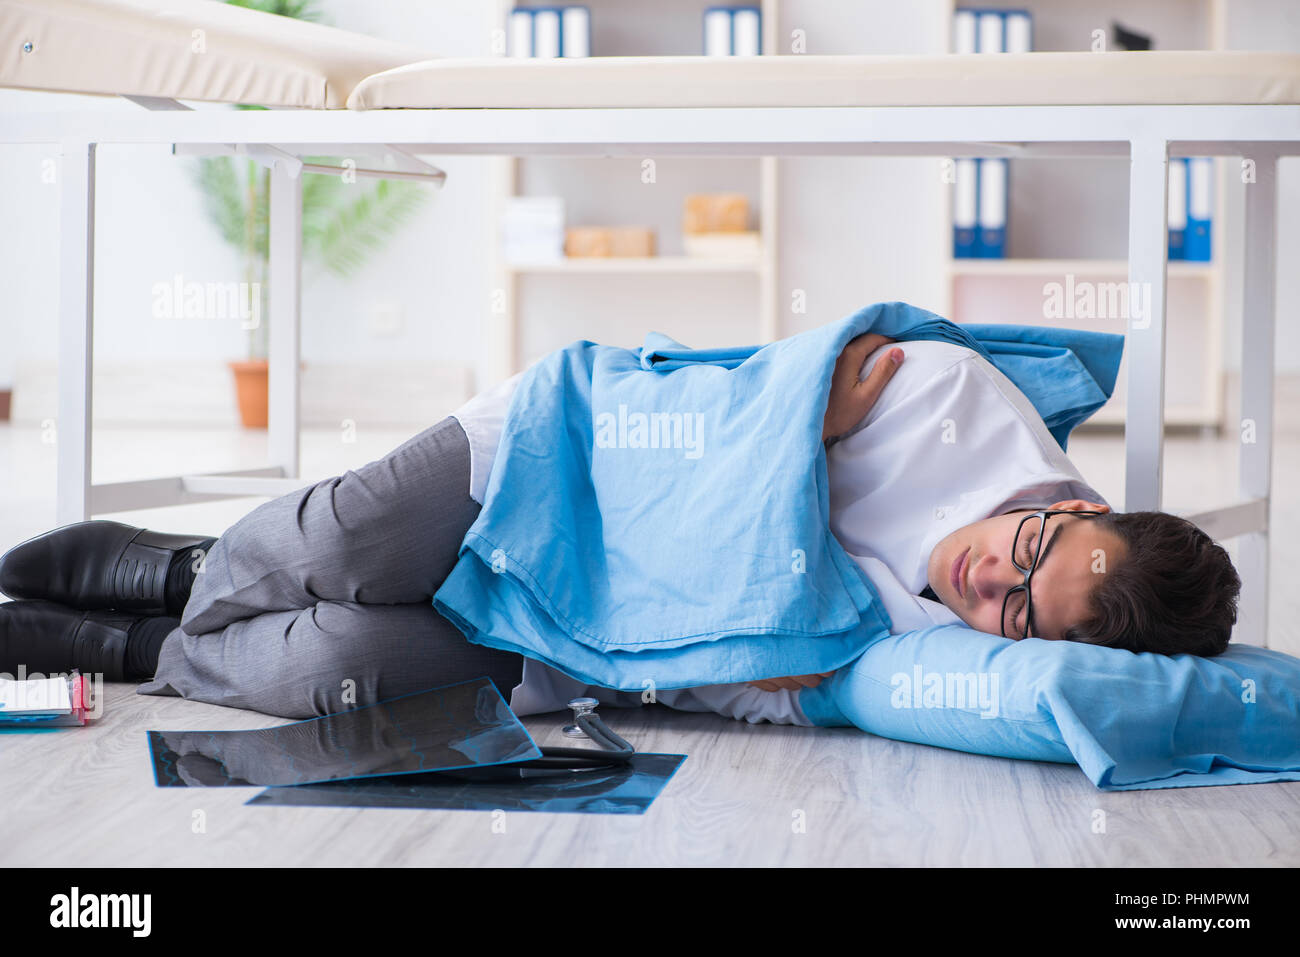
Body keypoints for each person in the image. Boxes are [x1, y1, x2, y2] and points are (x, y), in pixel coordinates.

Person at [0, 332, 1241, 724]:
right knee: (343, 553)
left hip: (591, 640)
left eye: (1020, 615)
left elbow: (737, 675)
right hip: (561, 465)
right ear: (1075, 509)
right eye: (1032, 552)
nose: (990, 580)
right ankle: (173, 568)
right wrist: (792, 433)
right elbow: (746, 397)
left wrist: (769, 661)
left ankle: (135, 649)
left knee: (341, 668)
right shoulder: (960, 401)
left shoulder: (946, 659)